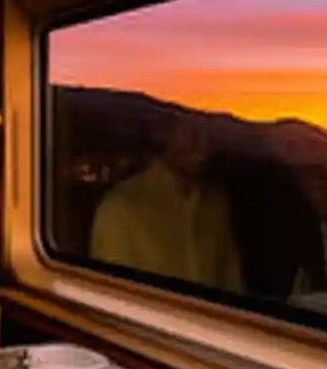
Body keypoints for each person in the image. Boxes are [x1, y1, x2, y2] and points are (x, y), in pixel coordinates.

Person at [89, 113, 241, 291]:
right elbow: (113, 300)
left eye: (209, 129)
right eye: (192, 130)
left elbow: (232, 287)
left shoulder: (215, 204)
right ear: (163, 132)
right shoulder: (120, 210)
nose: (203, 145)